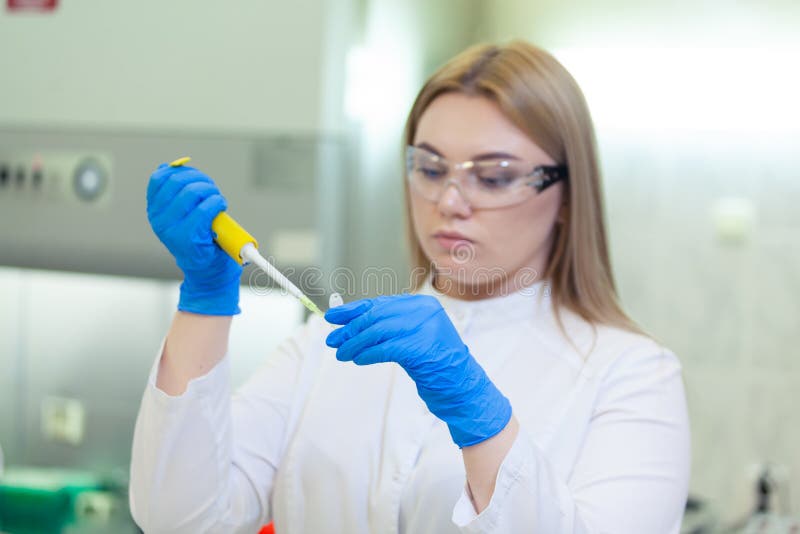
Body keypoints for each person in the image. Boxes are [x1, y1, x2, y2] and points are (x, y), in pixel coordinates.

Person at [130, 40, 690, 533]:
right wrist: (205, 297)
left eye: (492, 177)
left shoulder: (632, 375)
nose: (450, 201)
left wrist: (480, 414)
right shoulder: (326, 347)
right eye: (429, 167)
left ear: (566, 195)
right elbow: (183, 519)